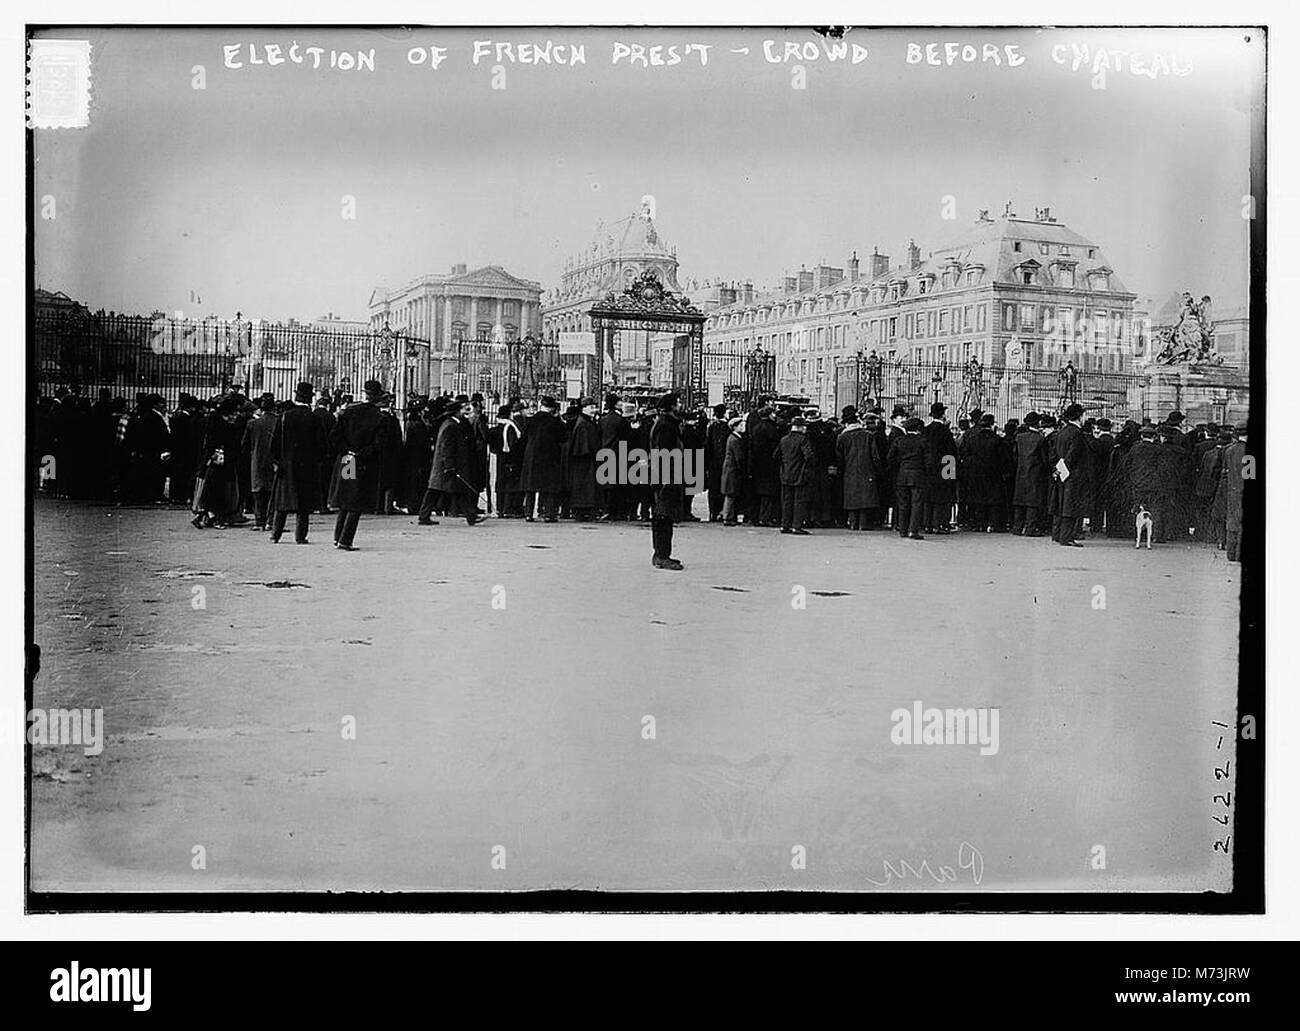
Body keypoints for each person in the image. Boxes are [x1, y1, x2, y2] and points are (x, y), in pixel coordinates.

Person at [329, 380, 388, 550]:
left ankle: (337, 536)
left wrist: (347, 451)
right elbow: (378, 445)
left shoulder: (349, 412)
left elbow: (335, 436)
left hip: (348, 459)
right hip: (363, 463)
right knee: (357, 501)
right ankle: (345, 540)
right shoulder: (379, 418)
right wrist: (361, 453)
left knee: (346, 497)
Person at [269, 382, 327, 544]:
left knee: (282, 503)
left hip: (285, 466)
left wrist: (277, 461)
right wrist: (315, 462)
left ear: (295, 396)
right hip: (307, 467)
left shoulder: (284, 417)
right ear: (310, 399)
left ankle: (276, 534)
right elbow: (322, 446)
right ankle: (300, 536)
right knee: (304, 505)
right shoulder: (314, 418)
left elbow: (274, 445)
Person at [429, 398, 483, 526]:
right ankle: (471, 516)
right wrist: (449, 465)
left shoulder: (451, 423)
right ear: (456, 412)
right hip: (446, 465)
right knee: (436, 490)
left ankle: (471, 516)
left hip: (446, 465)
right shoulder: (451, 426)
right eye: (461, 409)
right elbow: (447, 447)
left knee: (454, 490)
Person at [649, 391, 686, 569]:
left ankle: (661, 554)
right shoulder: (666, 425)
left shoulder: (666, 423)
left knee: (664, 516)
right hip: (666, 476)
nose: (680, 405)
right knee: (663, 515)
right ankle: (662, 556)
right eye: (678, 402)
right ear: (671, 406)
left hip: (666, 475)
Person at [520, 395, 566, 522]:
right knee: (549, 487)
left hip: (532, 456)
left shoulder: (530, 420)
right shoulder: (554, 421)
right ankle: (548, 514)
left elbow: (523, 438)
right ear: (552, 408)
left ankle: (528, 513)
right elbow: (563, 437)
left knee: (531, 486)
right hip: (549, 457)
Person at [836, 408, 883, 530]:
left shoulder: (842, 437)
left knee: (851, 496)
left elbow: (839, 458)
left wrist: (840, 470)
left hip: (849, 471)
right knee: (865, 497)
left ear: (846, 423)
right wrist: (878, 470)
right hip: (867, 470)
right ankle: (863, 523)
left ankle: (852, 522)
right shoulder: (868, 436)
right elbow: (875, 456)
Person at [1051, 403, 1089, 546]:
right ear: (1079, 417)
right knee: (1070, 507)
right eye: (1084, 415)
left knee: (1060, 505)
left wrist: (1058, 470)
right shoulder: (1077, 434)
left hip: (1061, 472)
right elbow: (1073, 455)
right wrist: (1066, 468)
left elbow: (1054, 453)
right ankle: (1067, 537)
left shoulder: (1061, 432)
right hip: (1073, 475)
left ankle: (1057, 534)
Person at [241, 393, 278, 531]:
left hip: (256, 460)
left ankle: (259, 521)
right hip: (274, 462)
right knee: (272, 493)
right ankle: (270, 521)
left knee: (258, 492)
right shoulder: (279, 421)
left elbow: (244, 445)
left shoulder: (252, 424)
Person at [887, 416, 928, 540]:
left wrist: (900, 465)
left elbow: (890, 457)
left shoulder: (899, 440)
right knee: (916, 503)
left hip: (902, 474)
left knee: (903, 503)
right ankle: (913, 530)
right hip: (918, 474)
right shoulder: (923, 441)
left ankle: (902, 530)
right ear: (918, 428)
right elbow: (928, 460)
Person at [775, 415, 816, 535]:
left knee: (786, 501)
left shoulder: (784, 439)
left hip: (786, 474)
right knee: (799, 501)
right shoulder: (803, 439)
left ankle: (785, 524)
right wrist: (808, 468)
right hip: (800, 474)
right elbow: (809, 456)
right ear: (800, 427)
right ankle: (797, 526)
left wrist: (784, 464)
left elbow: (776, 455)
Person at [921, 402, 958, 533]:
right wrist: (951, 473)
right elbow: (951, 453)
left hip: (927, 468)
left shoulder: (925, 430)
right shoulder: (945, 431)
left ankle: (927, 524)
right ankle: (941, 524)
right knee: (943, 498)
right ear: (942, 414)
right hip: (944, 468)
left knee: (928, 497)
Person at [1011, 413, 1050, 536]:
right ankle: (1030, 528)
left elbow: (1015, 456)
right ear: (1037, 423)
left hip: (1021, 472)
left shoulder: (1019, 437)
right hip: (1035, 473)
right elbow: (1045, 459)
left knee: (1020, 500)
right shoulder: (1040, 439)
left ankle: (1017, 528)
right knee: (1033, 501)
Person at [565, 397, 601, 521]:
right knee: (585, 487)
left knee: (584, 487)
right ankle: (582, 511)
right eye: (591, 407)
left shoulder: (584, 422)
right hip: (585, 460)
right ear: (584, 408)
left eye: (594, 407)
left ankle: (583, 510)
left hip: (585, 460)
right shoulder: (584, 424)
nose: (594, 410)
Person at [487, 402, 525, 518]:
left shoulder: (495, 428)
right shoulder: (510, 427)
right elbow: (513, 444)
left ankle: (500, 507)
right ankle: (509, 508)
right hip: (511, 457)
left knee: (500, 481)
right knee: (511, 483)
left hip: (500, 457)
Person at [748, 406, 782, 526]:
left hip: (757, 464)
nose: (775, 415)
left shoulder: (756, 428)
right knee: (768, 493)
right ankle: (765, 518)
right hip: (769, 464)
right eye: (773, 413)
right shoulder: (772, 428)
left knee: (757, 493)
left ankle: (755, 517)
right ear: (768, 415)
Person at [598, 394, 631, 520]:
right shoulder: (621, 421)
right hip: (619, 453)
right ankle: (615, 511)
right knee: (617, 484)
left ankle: (605, 509)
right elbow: (627, 438)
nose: (622, 403)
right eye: (620, 401)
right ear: (616, 404)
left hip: (605, 452)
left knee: (606, 482)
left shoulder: (603, 419)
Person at [704, 403, 730, 522]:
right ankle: (720, 511)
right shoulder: (727, 428)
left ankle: (712, 512)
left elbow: (707, 445)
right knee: (722, 487)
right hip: (724, 461)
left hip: (712, 462)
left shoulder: (712, 427)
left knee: (713, 488)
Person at [720, 416, 747, 526]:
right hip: (733, 470)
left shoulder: (733, 438)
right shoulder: (735, 440)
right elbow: (739, 457)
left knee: (731, 493)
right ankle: (728, 517)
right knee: (731, 494)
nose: (743, 427)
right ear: (735, 427)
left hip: (730, 469)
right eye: (740, 425)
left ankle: (730, 516)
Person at [312, 396, 337, 514]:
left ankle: (314, 504)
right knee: (325, 480)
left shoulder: (312, 415)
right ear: (327, 405)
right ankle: (323, 505)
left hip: (313, 452)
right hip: (327, 453)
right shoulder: (330, 417)